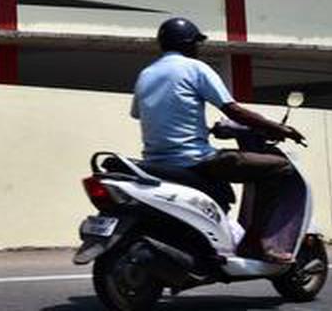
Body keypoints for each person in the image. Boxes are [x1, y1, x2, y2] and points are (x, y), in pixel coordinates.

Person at [130, 17, 305, 263]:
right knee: (280, 168)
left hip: (156, 162)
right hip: (195, 160)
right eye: (197, 44)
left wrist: (205, 128)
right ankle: (255, 243)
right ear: (189, 44)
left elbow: (139, 113)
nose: (198, 49)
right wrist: (278, 128)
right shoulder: (195, 68)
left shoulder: (145, 74)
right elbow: (233, 111)